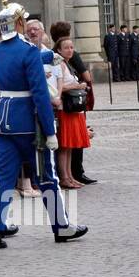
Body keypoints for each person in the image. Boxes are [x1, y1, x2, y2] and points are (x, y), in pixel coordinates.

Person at [0, 0, 87, 249]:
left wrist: (46, 55)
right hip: (27, 120)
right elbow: (39, 92)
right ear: (19, 22)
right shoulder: (28, 50)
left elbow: (14, 59)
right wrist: (50, 130)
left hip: (4, 118)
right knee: (46, 175)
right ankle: (61, 226)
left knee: (2, 176)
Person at [51, 37, 90, 190]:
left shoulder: (67, 63)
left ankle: (70, 176)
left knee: (70, 147)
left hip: (72, 108)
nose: (70, 50)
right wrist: (77, 85)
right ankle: (64, 177)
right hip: (64, 109)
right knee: (64, 145)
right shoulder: (58, 64)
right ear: (59, 50)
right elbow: (57, 86)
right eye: (66, 48)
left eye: (72, 47)